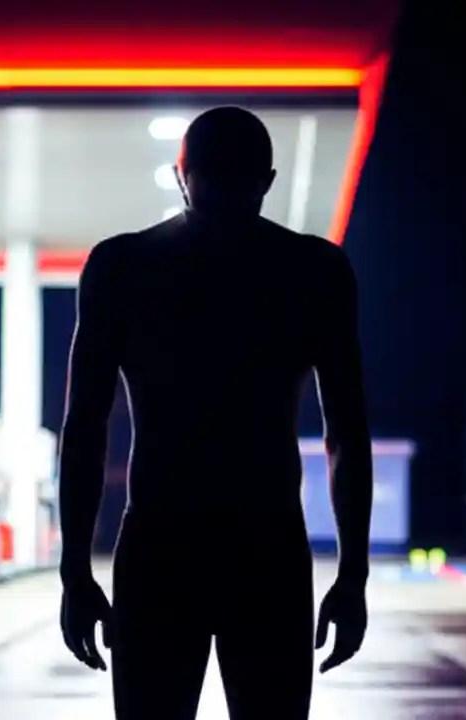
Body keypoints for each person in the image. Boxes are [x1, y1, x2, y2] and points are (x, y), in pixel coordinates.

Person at [57, 106, 372, 719]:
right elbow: (346, 434)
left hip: (159, 542)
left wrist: (75, 571)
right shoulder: (313, 271)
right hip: (268, 545)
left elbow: (84, 429)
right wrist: (352, 576)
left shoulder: (122, 267)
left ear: (181, 176)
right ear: (270, 179)